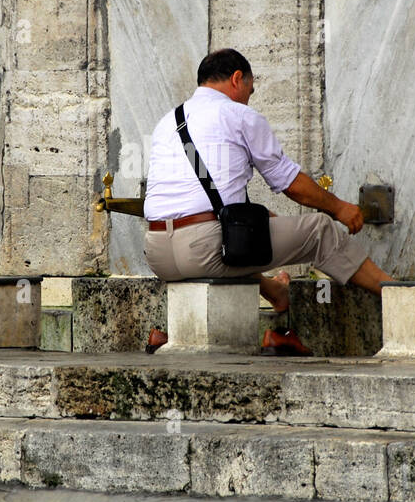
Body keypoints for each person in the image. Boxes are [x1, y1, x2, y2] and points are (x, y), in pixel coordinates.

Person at [143, 48, 395, 354]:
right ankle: (396, 293)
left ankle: (276, 291)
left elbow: (210, 198)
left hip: (158, 254)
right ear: (237, 79)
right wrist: (340, 208)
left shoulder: (168, 121)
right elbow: (289, 183)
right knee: (319, 230)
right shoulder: (238, 115)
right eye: (250, 88)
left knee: (252, 225)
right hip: (202, 248)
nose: (250, 96)